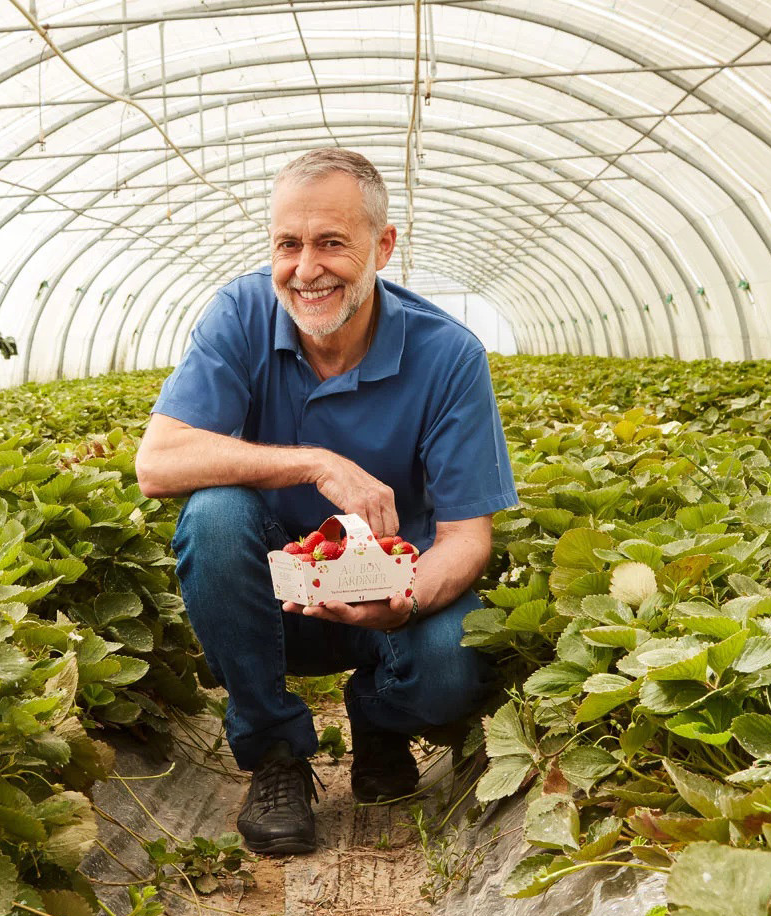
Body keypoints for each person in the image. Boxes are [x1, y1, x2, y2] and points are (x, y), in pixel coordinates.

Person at [135, 148, 518, 855]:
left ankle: (379, 716)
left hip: (394, 598)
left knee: (454, 661)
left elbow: (467, 536)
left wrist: (403, 599)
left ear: (384, 246)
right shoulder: (242, 314)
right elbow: (156, 464)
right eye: (288, 244)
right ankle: (275, 751)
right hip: (275, 607)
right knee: (213, 514)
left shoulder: (448, 355)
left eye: (332, 243)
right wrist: (314, 464)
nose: (306, 269)